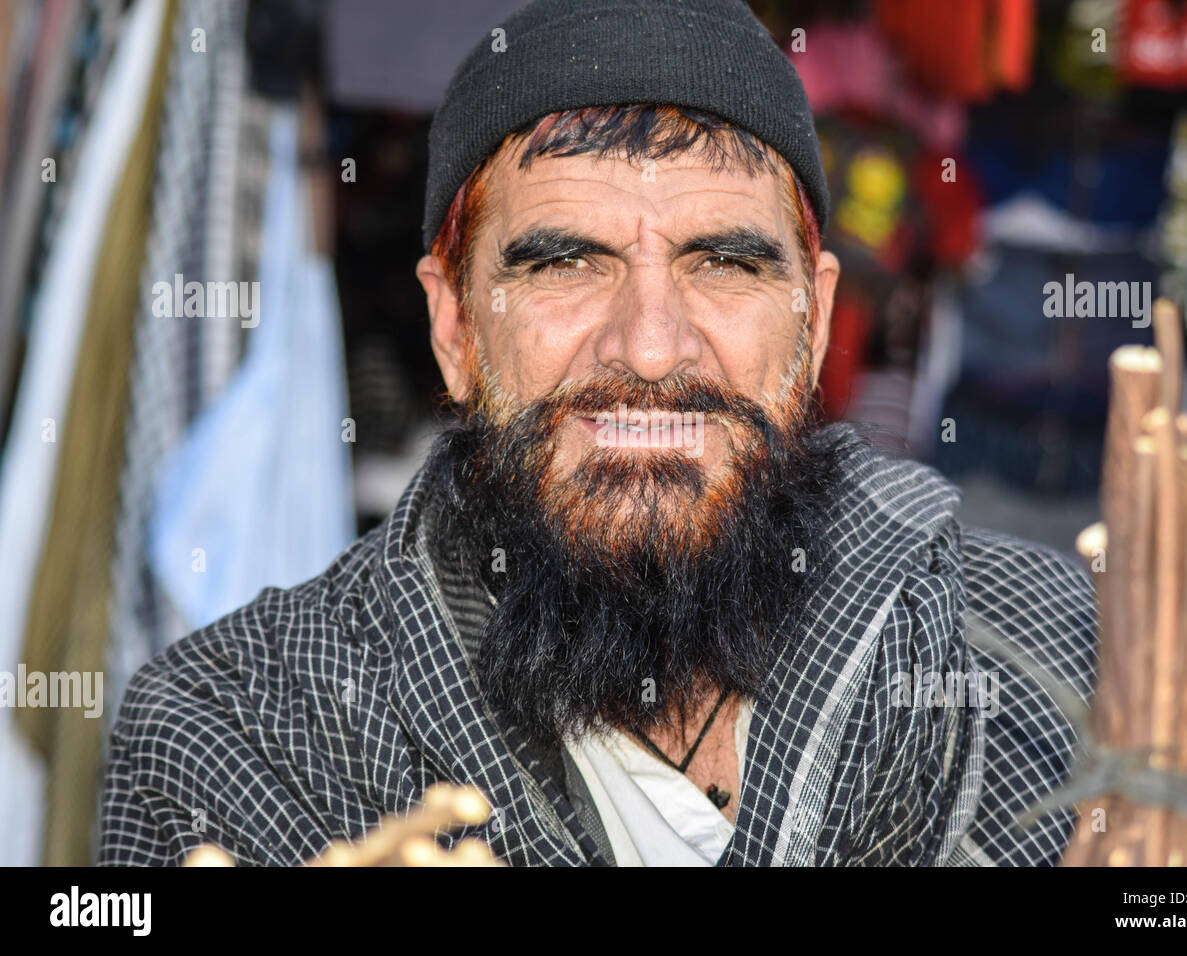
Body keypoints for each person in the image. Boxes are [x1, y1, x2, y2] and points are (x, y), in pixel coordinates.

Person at [99, 0, 1097, 867]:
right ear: (454, 327)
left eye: (725, 264)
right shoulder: (239, 726)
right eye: (565, 264)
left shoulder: (1056, 656)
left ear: (815, 316)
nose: (652, 348)